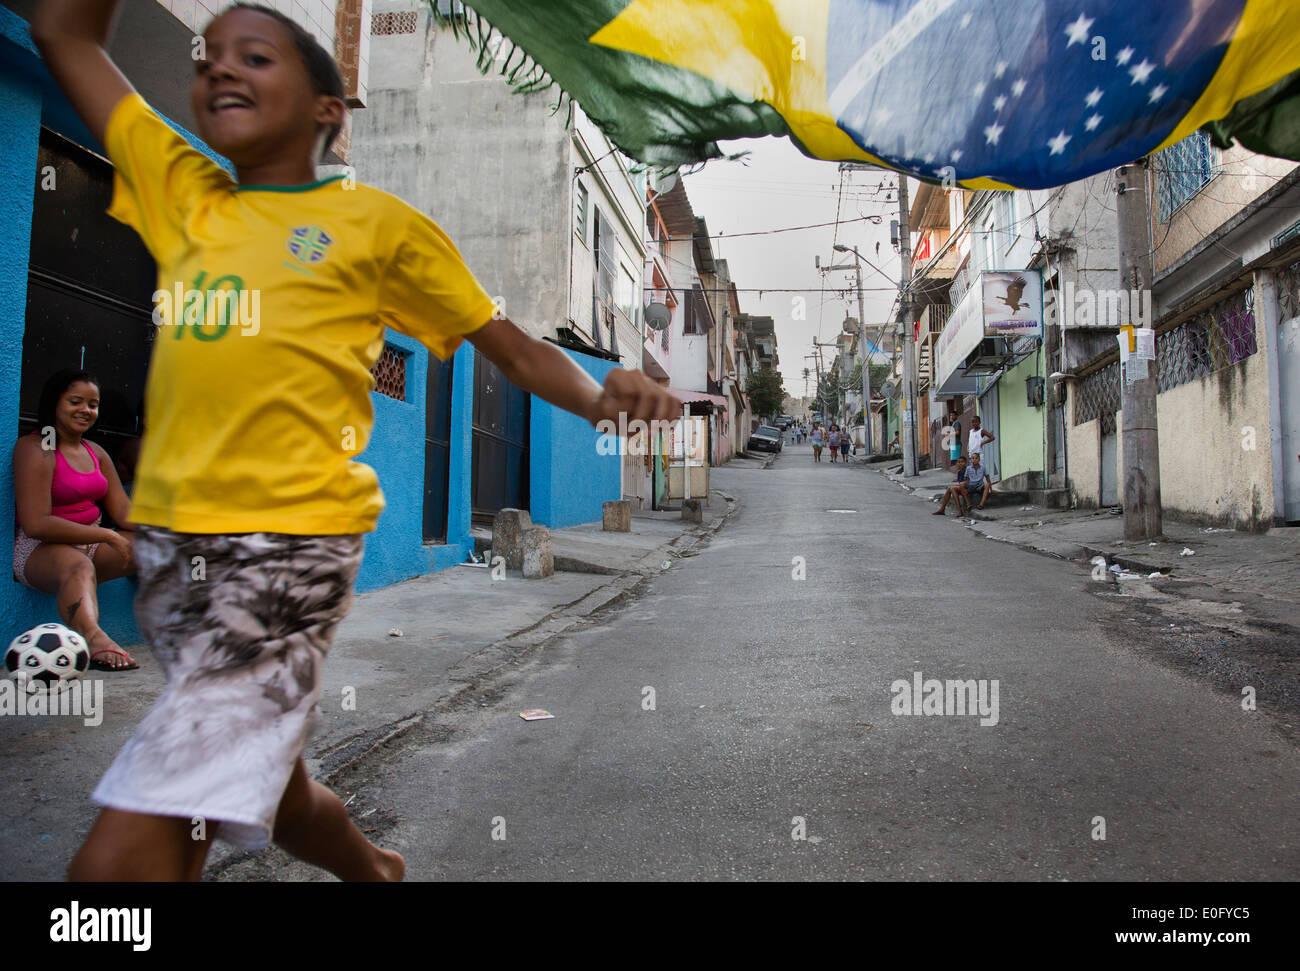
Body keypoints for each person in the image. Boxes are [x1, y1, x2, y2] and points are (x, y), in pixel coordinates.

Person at [34, 0, 681, 882]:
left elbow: (517, 350)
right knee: (265, 789)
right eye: (208, 56)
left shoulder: (380, 229)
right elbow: (67, 34)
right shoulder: (180, 184)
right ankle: (374, 872)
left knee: (124, 859)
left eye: (255, 57)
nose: (220, 68)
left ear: (327, 109)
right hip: (172, 562)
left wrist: (603, 392)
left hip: (287, 554)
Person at [12, 369, 140, 670]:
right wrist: (107, 536)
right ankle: (94, 639)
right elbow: (37, 523)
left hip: (88, 545)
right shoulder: (36, 448)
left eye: (92, 404)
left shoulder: (95, 452)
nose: (86, 410)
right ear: (55, 403)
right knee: (79, 565)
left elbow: (123, 512)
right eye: (75, 402)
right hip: (39, 550)